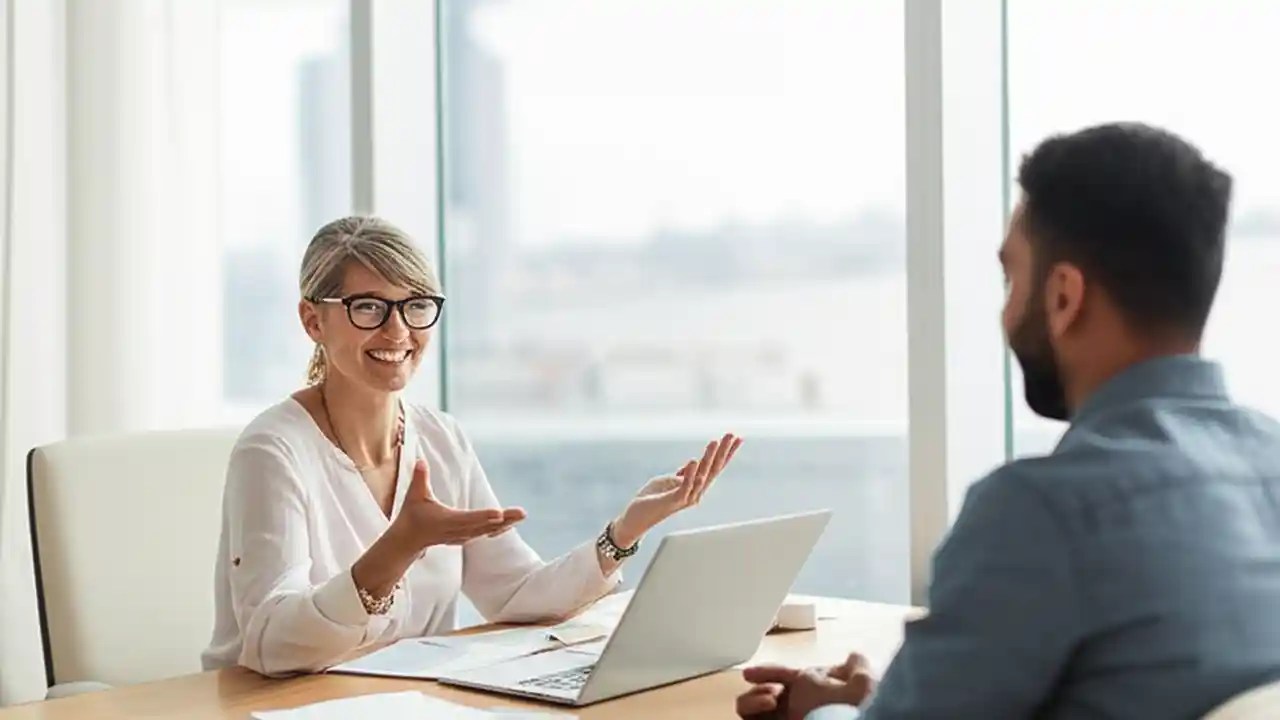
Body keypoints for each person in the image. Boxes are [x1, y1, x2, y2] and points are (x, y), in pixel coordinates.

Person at [737, 122, 1280, 719]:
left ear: (1064, 296)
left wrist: (823, 714)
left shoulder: (1041, 512)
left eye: (1010, 277)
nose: (1005, 309)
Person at [202, 217, 742, 676]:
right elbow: (272, 644)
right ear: (312, 319)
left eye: (415, 307)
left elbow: (513, 593)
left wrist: (623, 533)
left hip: (409, 704)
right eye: (368, 308)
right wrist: (399, 547)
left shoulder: (441, 438)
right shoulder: (273, 452)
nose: (397, 332)